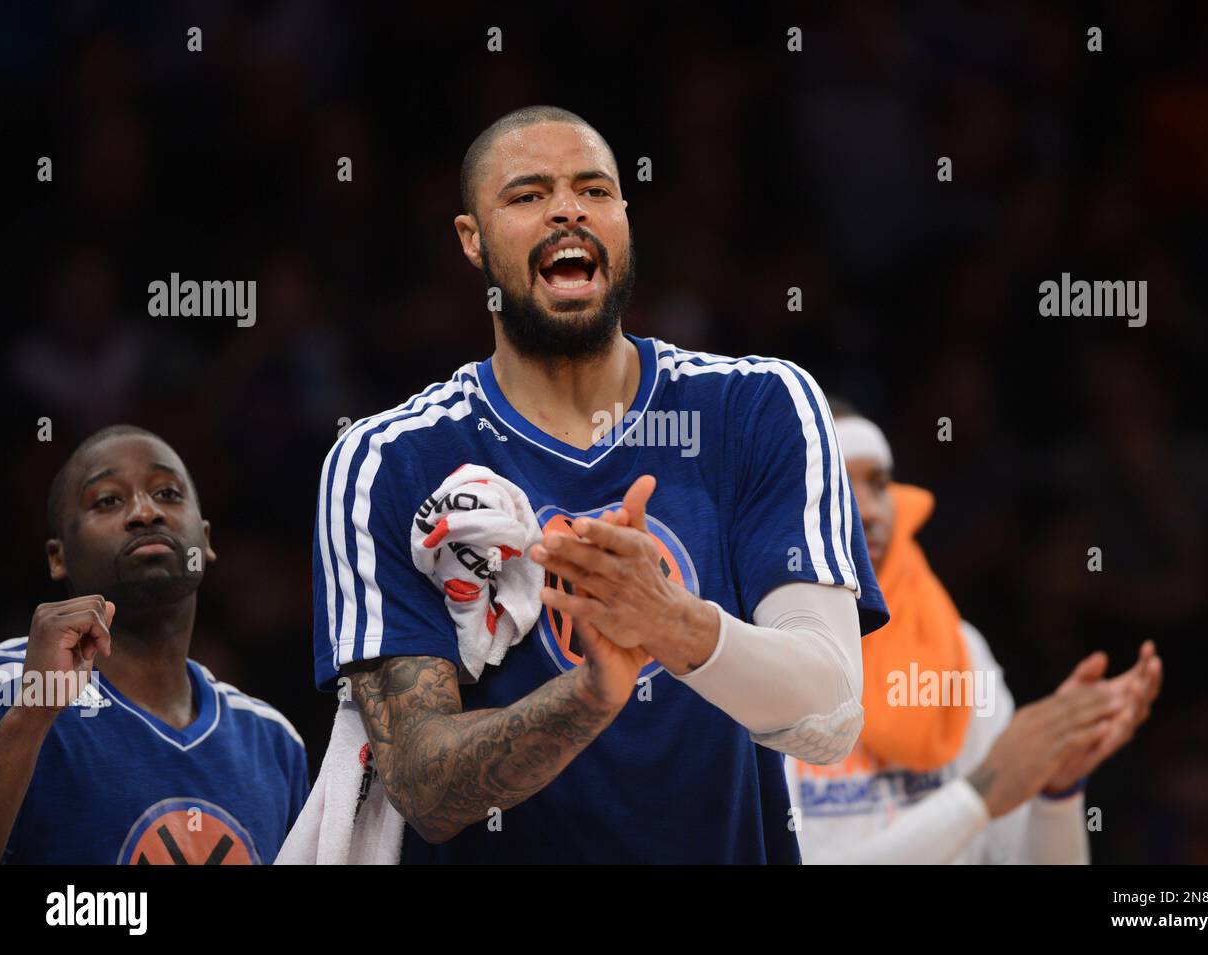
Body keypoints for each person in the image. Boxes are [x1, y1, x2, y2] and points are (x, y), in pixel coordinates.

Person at [313, 105, 919, 863]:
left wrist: (674, 625)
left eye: (594, 190)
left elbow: (827, 715)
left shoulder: (759, 406)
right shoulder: (389, 457)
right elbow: (425, 790)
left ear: (625, 221)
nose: (568, 208)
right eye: (528, 195)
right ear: (471, 241)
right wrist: (594, 690)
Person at [784, 407, 1163, 863]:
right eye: (841, 485)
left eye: (878, 483)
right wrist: (978, 796)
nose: (867, 511)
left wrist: (1055, 792)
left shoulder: (956, 646)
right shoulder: (753, 659)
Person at [0, 425, 309, 864]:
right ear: (57, 556)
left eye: (167, 493)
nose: (145, 513)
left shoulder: (274, 742)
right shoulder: (7, 687)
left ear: (206, 539)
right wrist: (33, 713)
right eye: (108, 500)